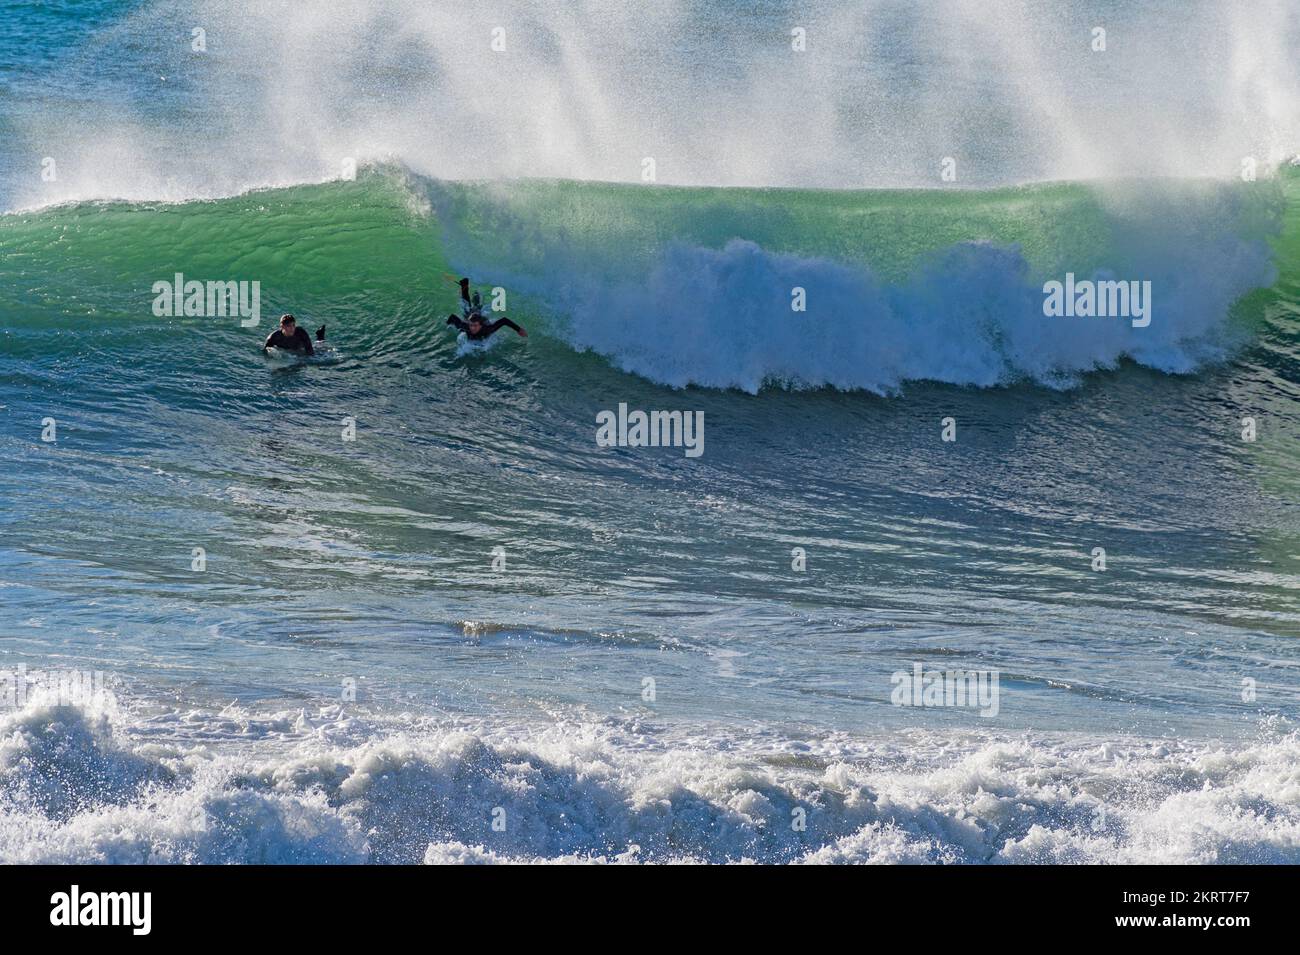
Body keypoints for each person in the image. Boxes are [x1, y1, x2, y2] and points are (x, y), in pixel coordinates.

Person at [446, 277, 527, 341]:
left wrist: (519, 329)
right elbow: (452, 317)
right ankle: (465, 286)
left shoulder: (488, 329)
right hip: (471, 317)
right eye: (471, 325)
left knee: (470, 307)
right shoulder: (466, 327)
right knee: (467, 309)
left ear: (481, 325)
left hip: (479, 318)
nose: (472, 328)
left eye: (475, 326)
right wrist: (448, 326)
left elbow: (504, 320)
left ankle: (472, 293)